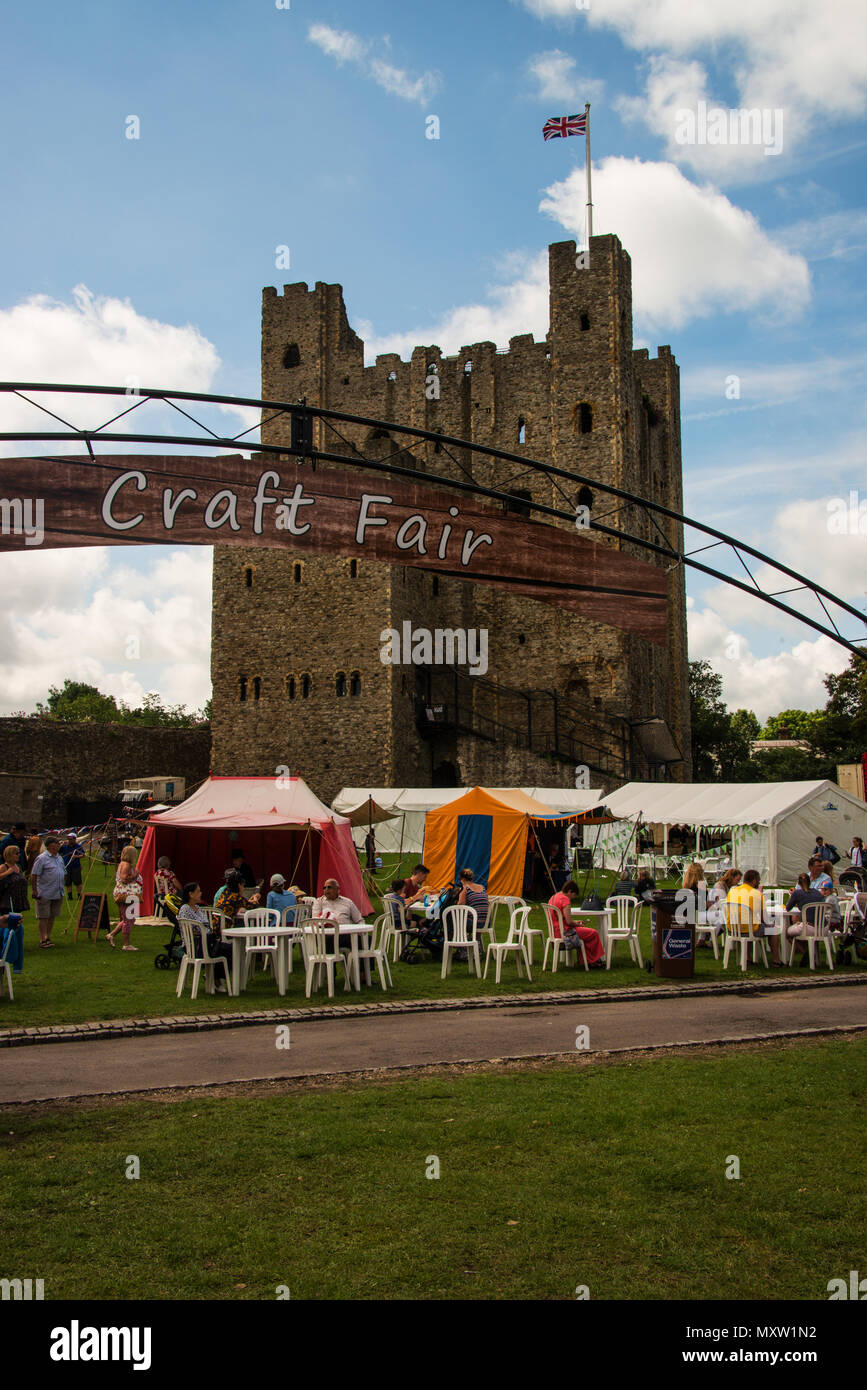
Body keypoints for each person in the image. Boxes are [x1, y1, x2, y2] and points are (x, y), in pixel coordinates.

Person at [177, 881, 230, 990]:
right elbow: (189, 930)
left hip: (206, 941)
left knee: (229, 949)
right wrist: (204, 933)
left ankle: (214, 976)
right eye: (198, 891)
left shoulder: (198, 908)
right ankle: (215, 978)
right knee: (225, 949)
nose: (201, 893)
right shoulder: (185, 909)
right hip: (195, 945)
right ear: (191, 894)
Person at [726, 868, 781, 964]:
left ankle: (747, 958)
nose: (759, 883)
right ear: (754, 881)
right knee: (773, 930)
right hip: (750, 930)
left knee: (750, 923)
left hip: (732, 929)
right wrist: (771, 923)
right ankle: (776, 960)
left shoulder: (732, 891)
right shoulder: (757, 894)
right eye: (758, 881)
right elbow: (764, 919)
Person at [548, 880, 604, 968]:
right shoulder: (565, 900)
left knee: (586, 934)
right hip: (565, 932)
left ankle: (587, 960)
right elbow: (569, 922)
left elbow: (563, 919)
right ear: (570, 891)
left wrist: (576, 922)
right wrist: (578, 924)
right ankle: (593, 960)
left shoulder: (554, 897)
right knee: (593, 933)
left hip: (555, 931)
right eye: (573, 895)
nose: (572, 898)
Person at [29, 834, 66, 948]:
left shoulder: (59, 858)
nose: (58, 846)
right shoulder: (42, 858)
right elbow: (34, 875)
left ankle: (48, 936)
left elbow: (63, 872)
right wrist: (35, 890)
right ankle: (42, 939)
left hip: (57, 891)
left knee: (52, 915)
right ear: (50, 846)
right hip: (44, 891)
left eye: (58, 844)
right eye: (56, 844)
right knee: (43, 916)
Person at [312, 877, 363, 953]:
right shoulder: (319, 902)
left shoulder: (347, 902)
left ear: (338, 889)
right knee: (329, 940)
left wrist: (360, 931)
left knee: (367, 940)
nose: (326, 890)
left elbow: (359, 920)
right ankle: (330, 964)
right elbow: (315, 920)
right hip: (327, 935)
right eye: (324, 888)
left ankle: (364, 964)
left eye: (329, 887)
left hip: (346, 934)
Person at [107, 845, 142, 951]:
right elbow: (124, 879)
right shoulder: (126, 865)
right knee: (128, 919)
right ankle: (126, 944)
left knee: (130, 918)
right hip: (126, 895)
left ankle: (111, 935)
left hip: (128, 894)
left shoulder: (123, 864)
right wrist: (135, 875)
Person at [0, 845, 29, 915]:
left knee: (16, 922)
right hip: (7, 902)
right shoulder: (4, 867)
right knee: (8, 923)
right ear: (9, 855)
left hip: (18, 901)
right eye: (16, 853)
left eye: (19, 853)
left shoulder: (19, 867)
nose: (19, 855)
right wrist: (7, 873)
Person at [60, 832, 85, 901]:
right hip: (66, 867)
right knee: (68, 882)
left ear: (74, 839)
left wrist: (76, 856)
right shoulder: (64, 846)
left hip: (75, 867)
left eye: (71, 839)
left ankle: (79, 895)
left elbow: (83, 855)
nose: (69, 840)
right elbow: (58, 852)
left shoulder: (78, 846)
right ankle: (70, 896)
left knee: (78, 882)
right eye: (68, 839)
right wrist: (60, 845)